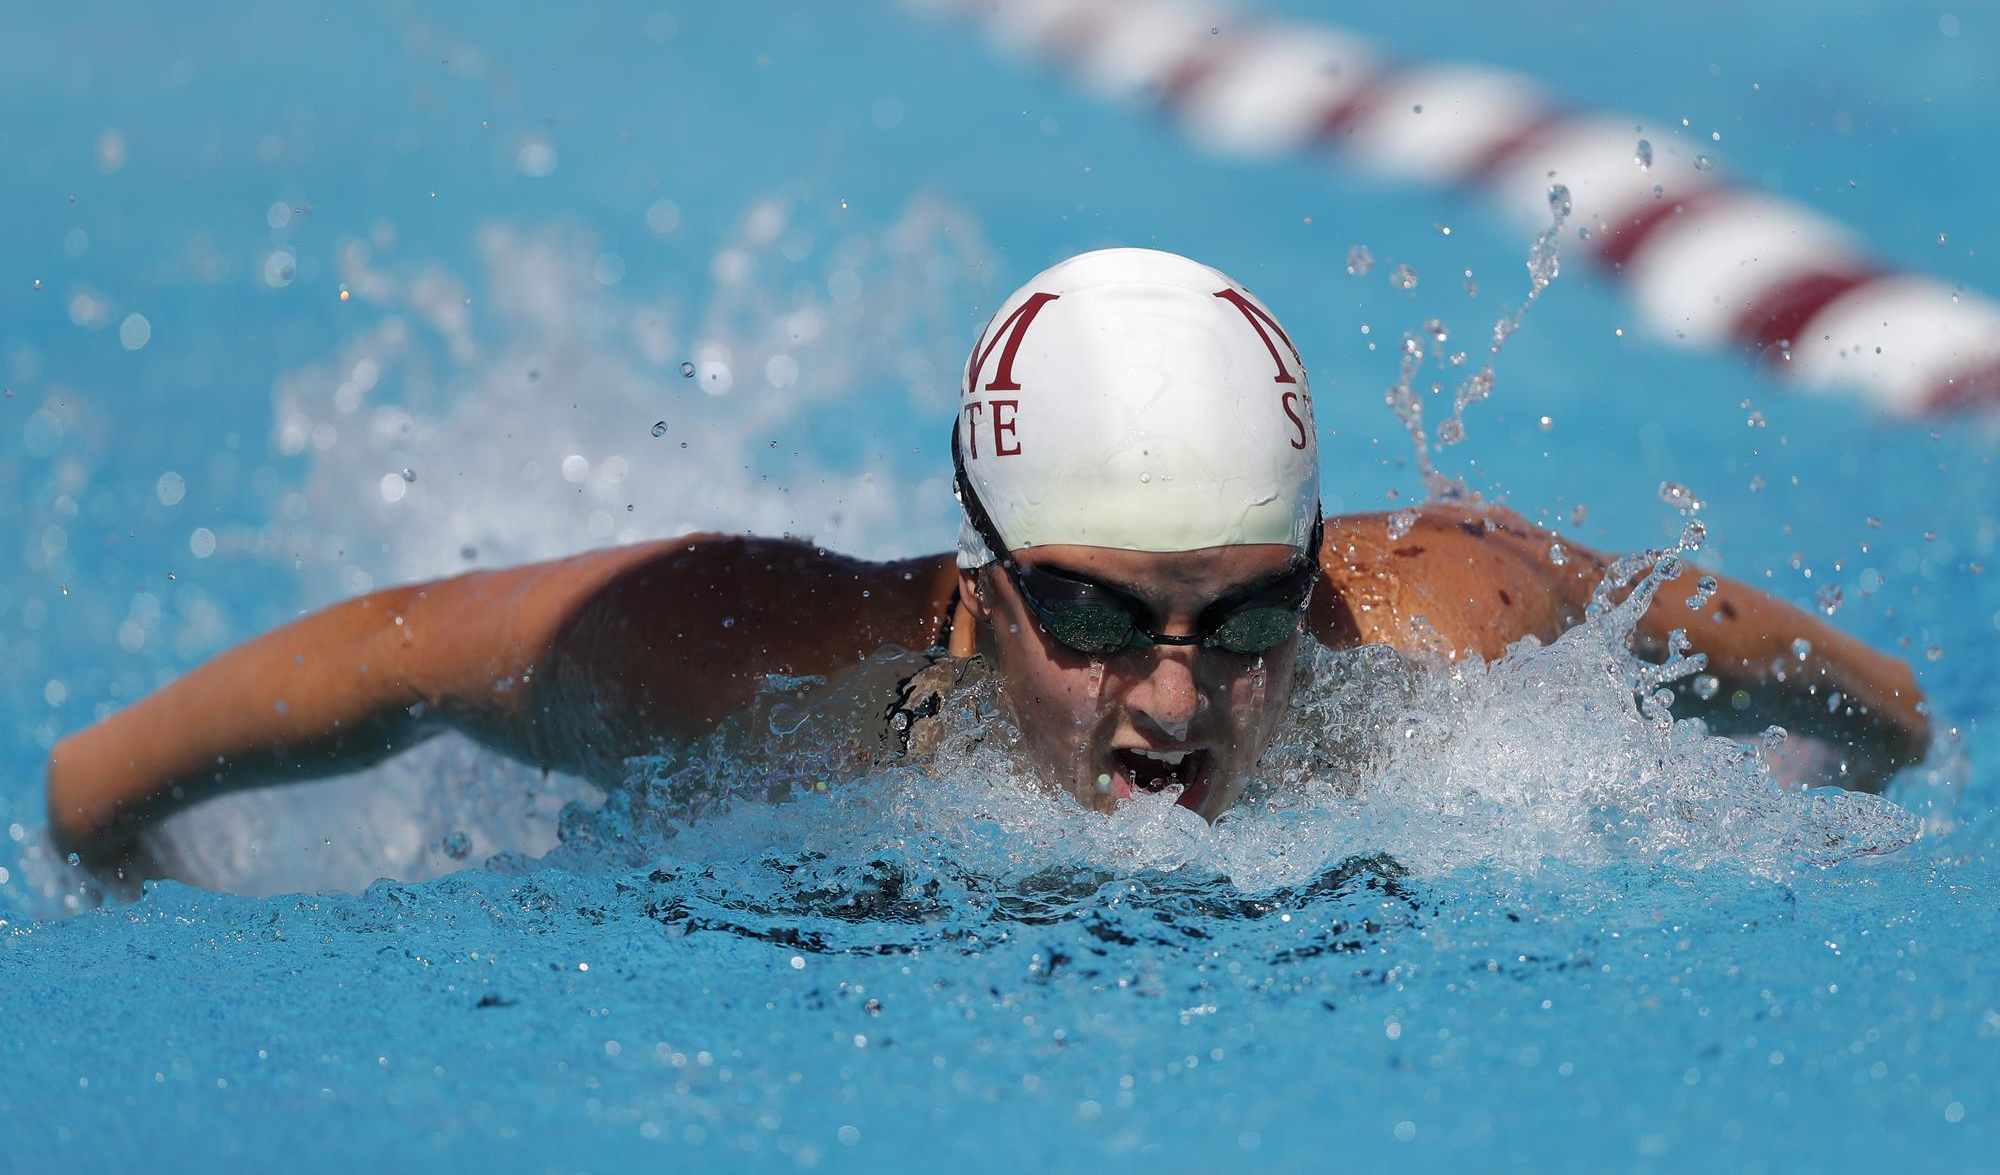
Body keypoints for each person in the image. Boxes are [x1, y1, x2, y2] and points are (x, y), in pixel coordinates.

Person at [47, 249, 1931, 879]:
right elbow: (393, 654)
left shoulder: (1440, 618)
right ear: (987, 575)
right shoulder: (770, 680)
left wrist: (1869, 777)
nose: (1177, 703)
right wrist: (109, 849)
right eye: (1100, 617)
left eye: (1247, 620)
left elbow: (1848, 694)